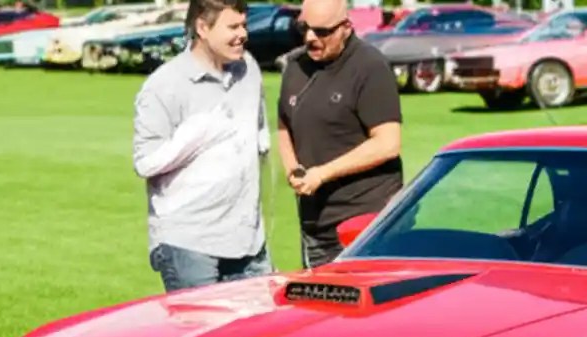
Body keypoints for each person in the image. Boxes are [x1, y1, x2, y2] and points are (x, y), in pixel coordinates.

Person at [132, 0, 272, 292]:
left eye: (244, 24)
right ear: (203, 28)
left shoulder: (249, 70)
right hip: (189, 243)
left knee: (257, 335)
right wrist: (200, 132)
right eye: (233, 26)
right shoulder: (164, 85)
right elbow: (145, 162)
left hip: (247, 241)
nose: (243, 34)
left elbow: (257, 135)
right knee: (203, 334)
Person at [276, 0, 403, 269]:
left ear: (346, 27)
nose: (311, 38)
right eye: (304, 28)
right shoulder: (295, 65)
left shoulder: (370, 67)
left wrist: (322, 173)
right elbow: (284, 124)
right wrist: (292, 167)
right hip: (314, 224)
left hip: (366, 224)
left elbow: (387, 143)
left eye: (322, 31)